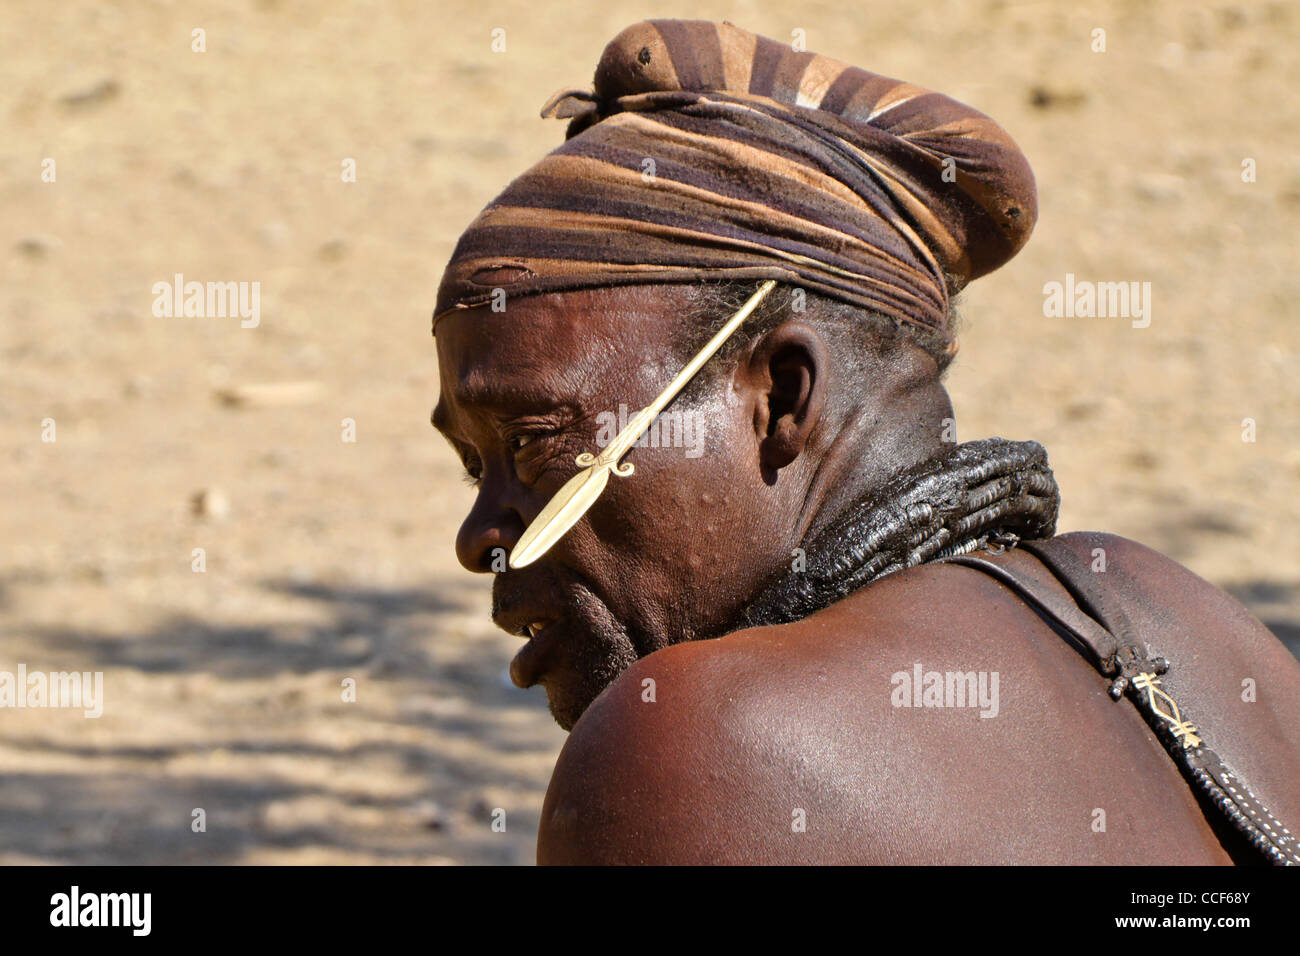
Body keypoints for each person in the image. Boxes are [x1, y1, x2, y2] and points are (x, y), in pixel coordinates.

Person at [431, 20, 1300, 864]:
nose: (477, 540)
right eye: (475, 466)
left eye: (533, 443)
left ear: (781, 397)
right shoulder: (1191, 625)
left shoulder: (694, 746)